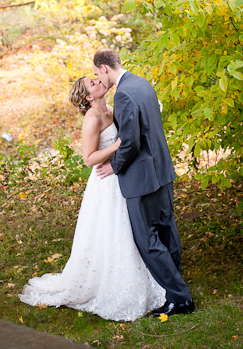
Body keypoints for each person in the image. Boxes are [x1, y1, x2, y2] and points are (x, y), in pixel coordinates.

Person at [18, 76, 165, 321]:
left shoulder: (110, 108)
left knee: (131, 226)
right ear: (88, 97)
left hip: (120, 175)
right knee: (114, 230)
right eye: (93, 84)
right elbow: (88, 158)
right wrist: (117, 146)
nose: (99, 82)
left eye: (97, 79)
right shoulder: (92, 119)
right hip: (105, 181)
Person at [92, 49, 195, 318]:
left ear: (104, 68)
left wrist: (114, 166)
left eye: (96, 74)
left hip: (141, 178)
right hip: (161, 170)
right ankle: (174, 289)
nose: (97, 79)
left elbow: (131, 142)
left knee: (147, 240)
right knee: (166, 230)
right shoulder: (142, 83)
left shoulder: (123, 94)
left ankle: (181, 297)